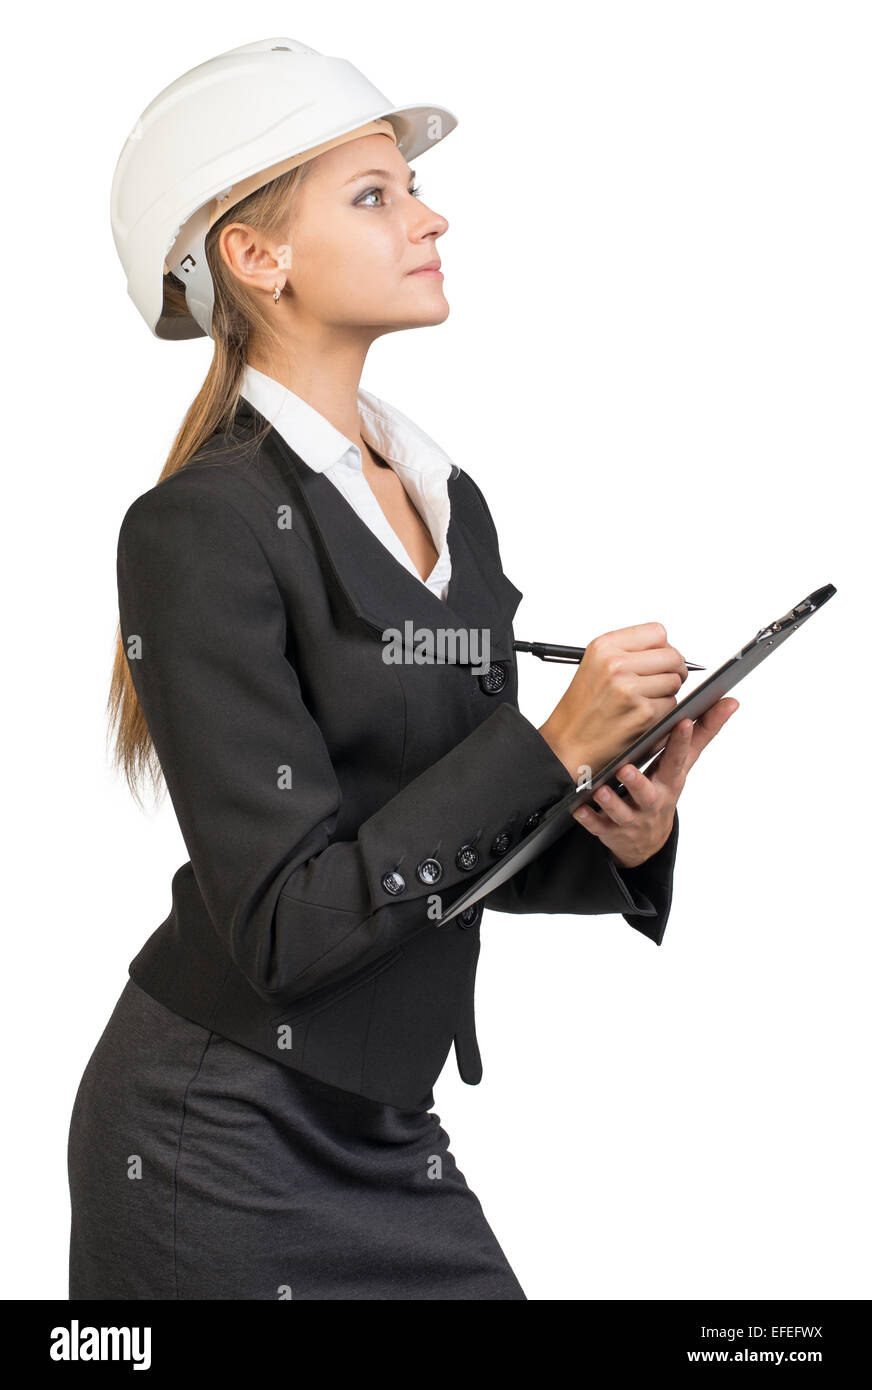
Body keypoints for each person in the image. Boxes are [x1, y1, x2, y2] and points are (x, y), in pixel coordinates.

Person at [67, 37, 738, 1301]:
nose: (429, 215)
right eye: (373, 194)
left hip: (384, 1130)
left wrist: (619, 835)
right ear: (255, 259)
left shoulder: (446, 503)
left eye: (409, 188)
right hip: (215, 1138)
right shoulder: (198, 529)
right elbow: (285, 927)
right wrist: (544, 746)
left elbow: (424, 854)